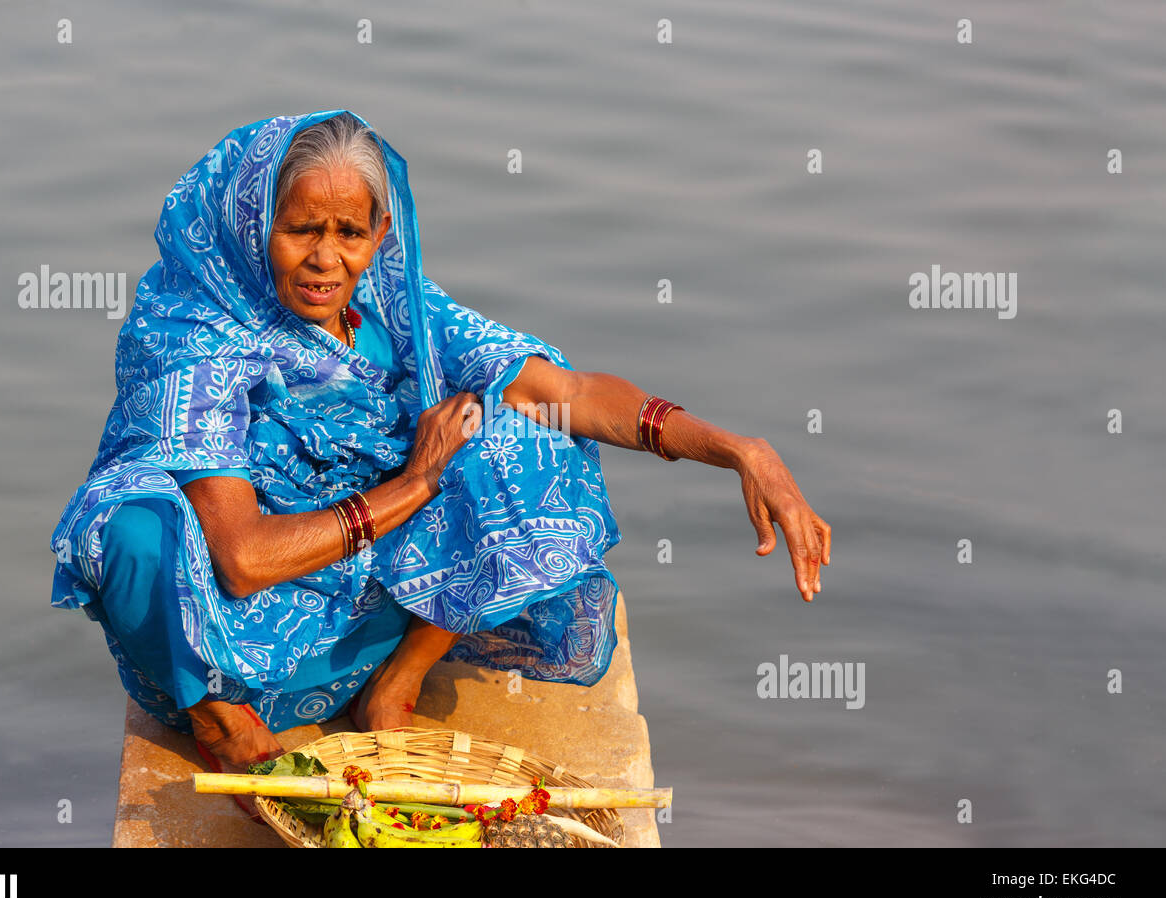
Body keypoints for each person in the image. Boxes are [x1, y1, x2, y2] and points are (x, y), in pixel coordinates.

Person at [50, 110, 830, 795]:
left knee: (521, 432)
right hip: (231, 640)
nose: (328, 259)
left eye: (350, 232)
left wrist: (735, 448)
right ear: (257, 228)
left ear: (379, 233)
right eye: (302, 231)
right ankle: (227, 731)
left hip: (367, 618)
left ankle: (397, 683)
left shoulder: (399, 312)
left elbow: (573, 393)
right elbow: (243, 559)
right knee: (129, 525)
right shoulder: (197, 335)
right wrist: (415, 484)